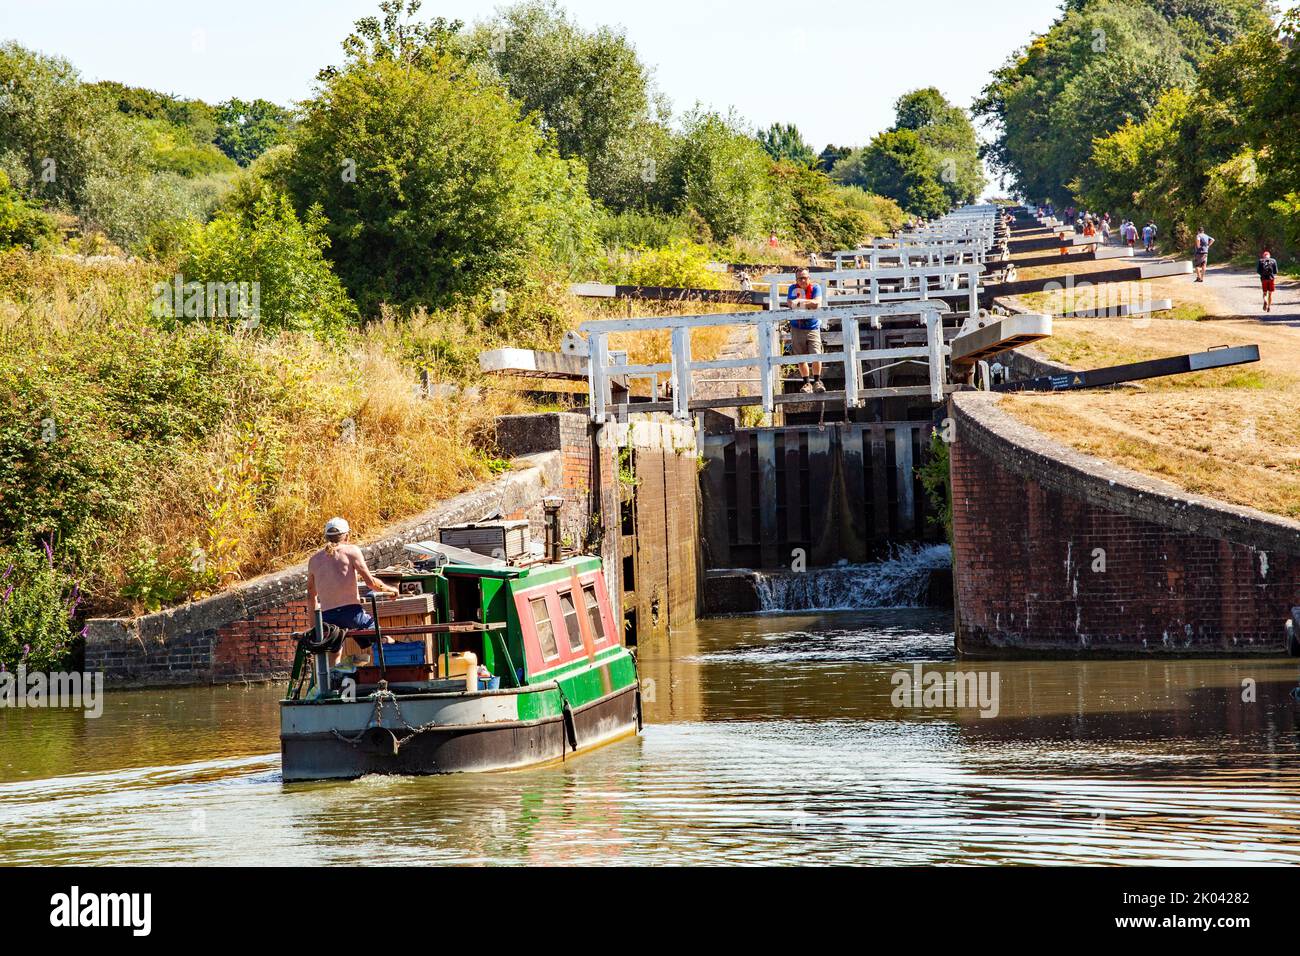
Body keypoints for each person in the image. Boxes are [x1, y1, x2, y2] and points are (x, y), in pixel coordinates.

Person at [306, 516, 399, 663]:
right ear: (347, 536)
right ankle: (395, 669)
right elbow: (371, 583)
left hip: (327, 617)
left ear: (326, 537)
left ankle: (333, 681)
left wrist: (314, 627)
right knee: (384, 638)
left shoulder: (314, 560)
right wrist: (391, 590)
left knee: (335, 651)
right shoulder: (351, 551)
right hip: (352, 614)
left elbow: (311, 597)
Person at [785, 267, 825, 393]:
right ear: (796, 279)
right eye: (799, 278)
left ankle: (817, 382)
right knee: (800, 358)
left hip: (812, 326)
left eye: (804, 277)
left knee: (816, 355)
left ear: (809, 278)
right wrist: (807, 302)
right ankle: (807, 383)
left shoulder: (816, 288)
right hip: (797, 327)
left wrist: (800, 301)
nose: (802, 280)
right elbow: (791, 304)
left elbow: (817, 304)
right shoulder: (792, 288)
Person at [1257, 247, 1278, 312]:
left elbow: (1258, 271)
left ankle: (1265, 301)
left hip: (1264, 279)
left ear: (1263, 256)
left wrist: (1262, 275)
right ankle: (1269, 306)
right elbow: (1276, 271)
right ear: (1269, 256)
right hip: (1271, 279)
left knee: (1264, 293)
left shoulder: (1260, 261)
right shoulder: (1273, 260)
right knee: (1270, 294)